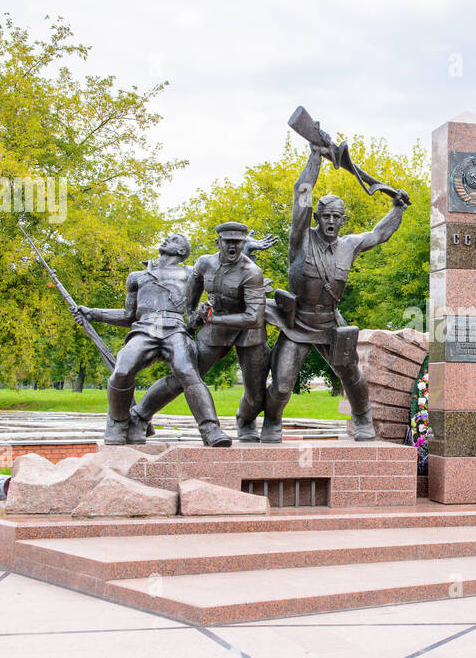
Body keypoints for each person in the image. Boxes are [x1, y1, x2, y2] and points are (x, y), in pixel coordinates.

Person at [250, 141, 410, 443]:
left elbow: (378, 234)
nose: (332, 222)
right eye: (326, 216)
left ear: (343, 220)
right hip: (297, 324)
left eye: (337, 217)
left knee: (350, 374)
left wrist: (397, 209)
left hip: (330, 322)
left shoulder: (349, 245)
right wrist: (315, 156)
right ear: (316, 218)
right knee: (282, 384)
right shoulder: (300, 240)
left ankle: (363, 417)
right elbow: (302, 193)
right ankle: (272, 420)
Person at [72, 233, 230, 447]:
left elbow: (191, 313)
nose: (166, 240)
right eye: (167, 238)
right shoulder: (137, 276)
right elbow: (129, 316)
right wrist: (93, 313)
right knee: (121, 371)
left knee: (188, 372)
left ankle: (210, 429)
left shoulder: (190, 275)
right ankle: (119, 422)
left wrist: (201, 315)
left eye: (174, 240)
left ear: (182, 252)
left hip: (175, 330)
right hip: (144, 329)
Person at [126, 222, 277, 443]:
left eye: (238, 243)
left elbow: (253, 317)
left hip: (249, 332)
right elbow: (193, 288)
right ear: (219, 243)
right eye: (228, 243)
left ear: (243, 244)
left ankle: (245, 422)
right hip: (214, 330)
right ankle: (139, 416)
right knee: (184, 376)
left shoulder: (252, 272)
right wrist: (192, 314)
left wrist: (212, 317)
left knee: (255, 393)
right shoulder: (204, 263)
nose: (233, 247)